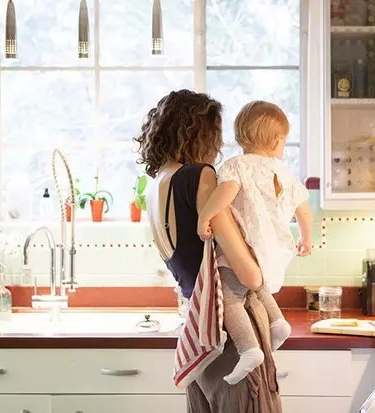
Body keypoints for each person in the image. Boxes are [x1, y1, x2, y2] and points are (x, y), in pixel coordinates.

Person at [134, 90, 282, 412]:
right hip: (232, 333)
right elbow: (249, 274)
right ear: (203, 134)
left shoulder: (158, 184)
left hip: (198, 330)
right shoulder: (199, 177)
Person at [197, 100, 313, 384]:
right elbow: (304, 210)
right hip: (272, 250)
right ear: (276, 140)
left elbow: (225, 194)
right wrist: (307, 239)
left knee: (231, 296)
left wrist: (205, 216)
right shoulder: (284, 172)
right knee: (258, 288)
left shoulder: (237, 166)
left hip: (246, 246)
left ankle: (249, 350)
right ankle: (278, 322)